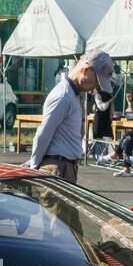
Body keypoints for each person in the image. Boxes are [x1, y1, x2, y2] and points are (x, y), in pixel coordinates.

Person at [26, 49, 114, 184]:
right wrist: (34, 167)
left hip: (63, 167)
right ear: (86, 69)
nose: (96, 86)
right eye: (97, 81)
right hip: (56, 167)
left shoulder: (74, 95)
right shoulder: (64, 96)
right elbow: (43, 134)